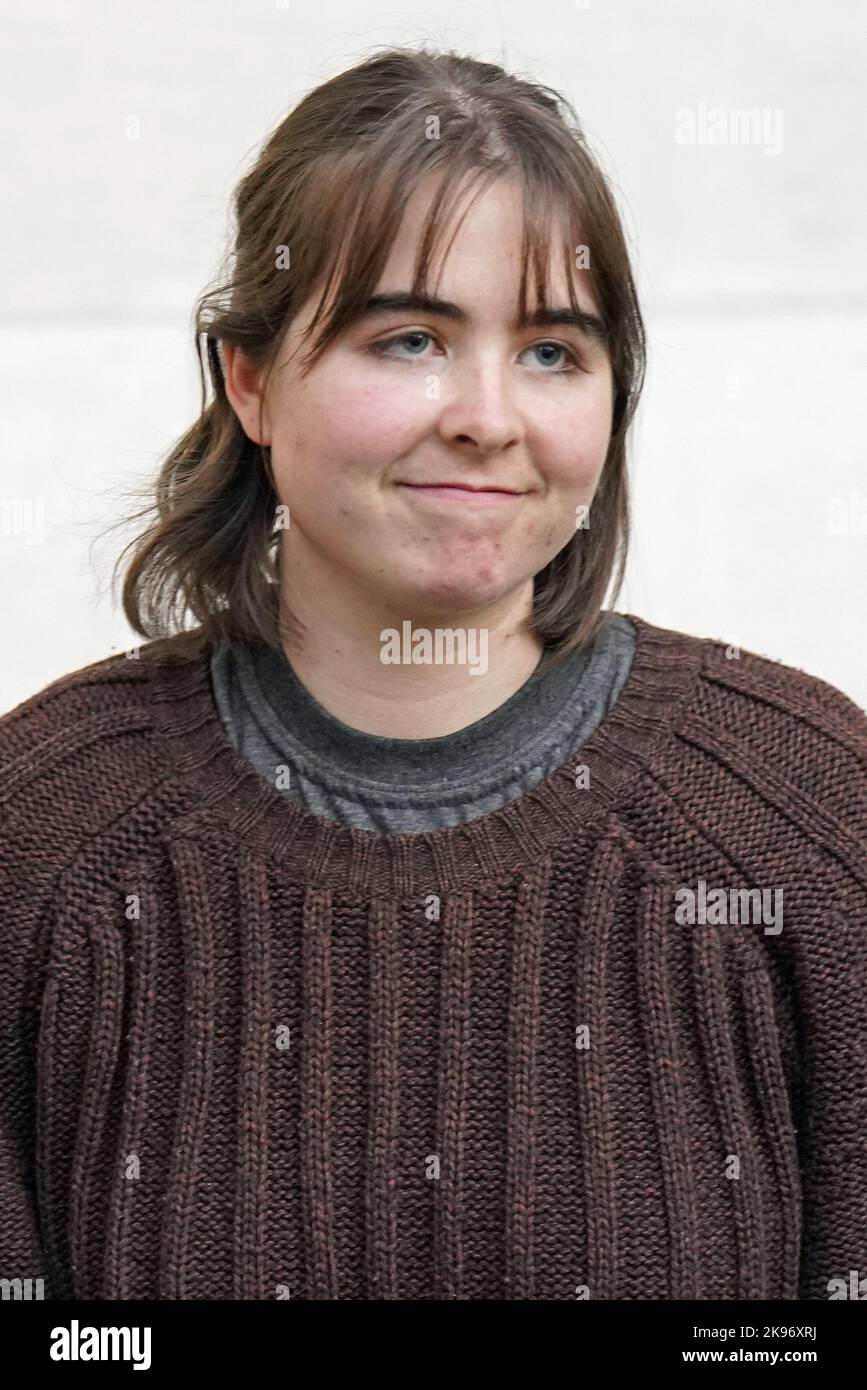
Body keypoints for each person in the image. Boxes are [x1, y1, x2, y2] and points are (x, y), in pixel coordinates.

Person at [1, 45, 864, 1302]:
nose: (487, 415)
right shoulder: (42, 837)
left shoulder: (807, 813)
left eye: (554, 351)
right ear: (250, 380)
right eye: (408, 338)